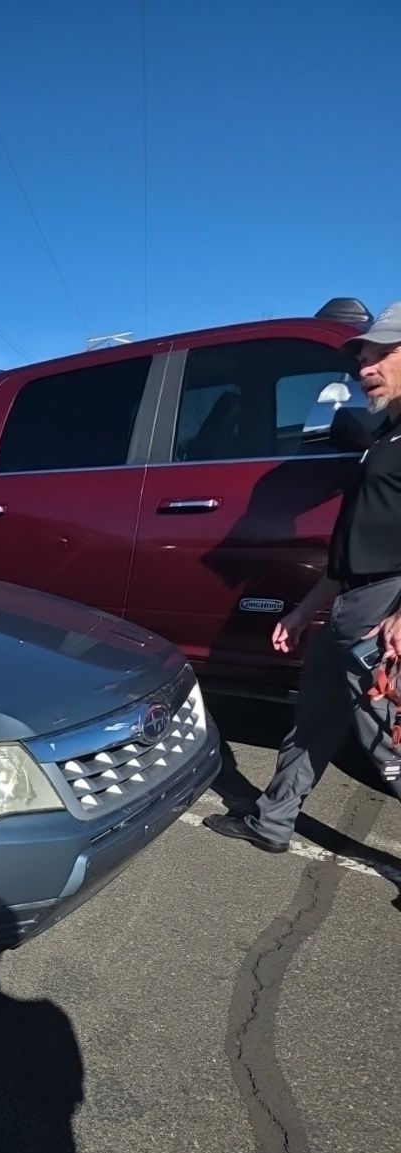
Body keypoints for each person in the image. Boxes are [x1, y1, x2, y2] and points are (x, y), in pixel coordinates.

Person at [205, 304, 401, 853]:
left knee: (389, 741)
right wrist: (303, 608)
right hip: (351, 601)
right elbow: (355, 545)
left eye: (381, 353)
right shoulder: (386, 433)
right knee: (314, 716)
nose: (365, 365)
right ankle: (272, 821)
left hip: (386, 607)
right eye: (362, 355)